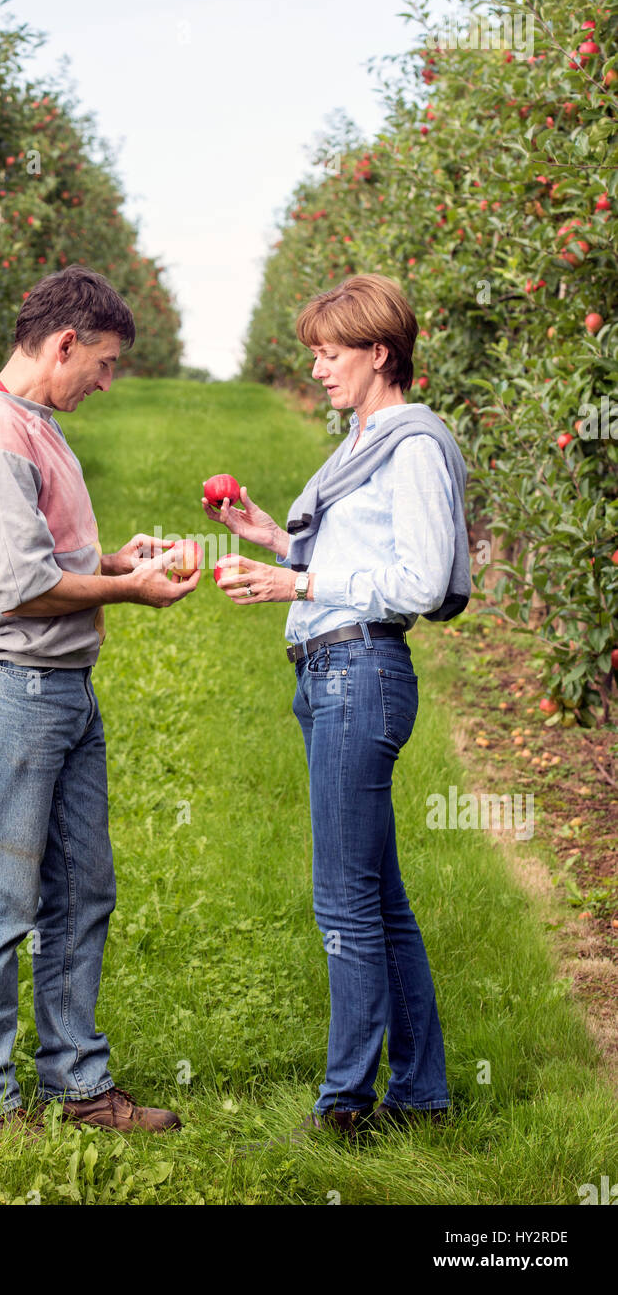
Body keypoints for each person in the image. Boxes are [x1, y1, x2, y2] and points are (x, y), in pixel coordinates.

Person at [0, 265, 199, 1136]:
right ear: (64, 344)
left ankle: (78, 1088)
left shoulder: (36, 426)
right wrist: (131, 595)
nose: (107, 381)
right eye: (105, 363)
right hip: (12, 685)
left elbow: (47, 559)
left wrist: (114, 561)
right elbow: (16, 588)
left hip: (61, 688)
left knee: (82, 892)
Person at [203, 273, 470, 1135]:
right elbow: (362, 555)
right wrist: (274, 542)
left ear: (378, 353)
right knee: (377, 898)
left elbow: (421, 582)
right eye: (313, 354)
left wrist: (299, 575)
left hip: (361, 675)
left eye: (329, 354)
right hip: (329, 674)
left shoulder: (414, 444)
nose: (316, 369)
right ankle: (421, 1096)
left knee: (343, 903)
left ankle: (344, 1106)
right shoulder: (361, 443)